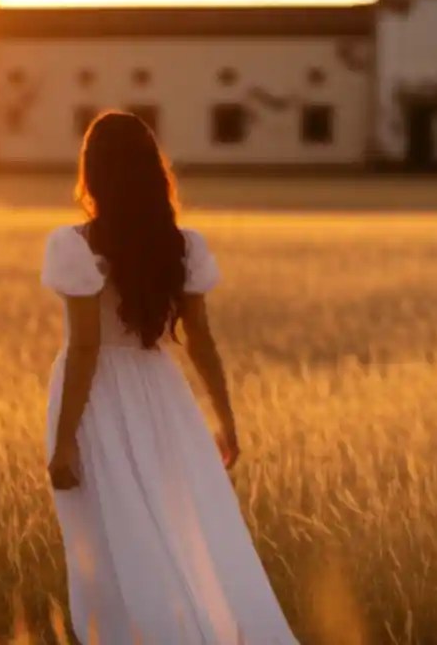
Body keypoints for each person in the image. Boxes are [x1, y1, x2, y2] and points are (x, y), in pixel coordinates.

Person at [41, 111, 298, 643]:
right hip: (164, 396)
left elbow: (87, 346)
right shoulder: (182, 245)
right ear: (152, 170)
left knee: (108, 543)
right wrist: (224, 418)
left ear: (92, 171)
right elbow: (199, 337)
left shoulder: (73, 245)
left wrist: (65, 442)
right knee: (181, 531)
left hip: (96, 404)